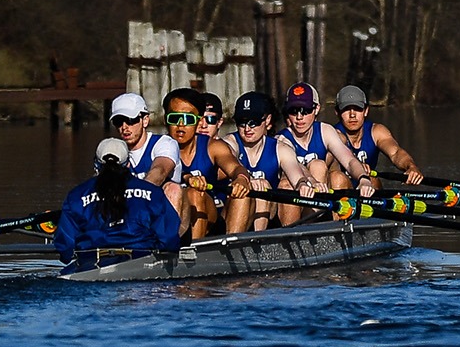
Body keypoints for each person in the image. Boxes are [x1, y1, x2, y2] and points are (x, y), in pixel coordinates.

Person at [54, 137, 182, 273]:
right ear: (128, 164)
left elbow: (64, 248)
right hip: (141, 265)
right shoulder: (153, 193)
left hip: (89, 267)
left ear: (96, 165)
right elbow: (169, 239)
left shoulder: (75, 196)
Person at [163, 87, 252, 239]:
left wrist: (241, 179)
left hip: (207, 214)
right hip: (170, 214)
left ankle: (229, 249)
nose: (180, 125)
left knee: (240, 194)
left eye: (188, 119)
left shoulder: (213, 147)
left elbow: (236, 168)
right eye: (174, 118)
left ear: (198, 122)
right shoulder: (157, 147)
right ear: (166, 120)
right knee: (192, 192)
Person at [228, 91, 318, 230]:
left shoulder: (281, 149)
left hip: (268, 211)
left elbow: (297, 176)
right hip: (231, 211)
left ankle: (264, 242)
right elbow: (230, 158)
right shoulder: (229, 143)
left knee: (272, 187)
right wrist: (247, 179)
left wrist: (302, 185)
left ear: (267, 120)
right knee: (255, 188)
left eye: (254, 122)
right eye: (242, 122)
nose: (247, 128)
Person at [277, 80, 380, 198]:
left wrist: (363, 179)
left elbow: (349, 161)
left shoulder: (325, 131)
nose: (299, 117)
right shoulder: (281, 140)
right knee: (317, 166)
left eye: (306, 110)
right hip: (297, 193)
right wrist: (312, 181)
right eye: (293, 111)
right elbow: (296, 167)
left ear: (316, 109)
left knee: (330, 174)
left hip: (320, 191)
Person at [108, 91, 183, 214]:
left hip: (164, 212)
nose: (125, 127)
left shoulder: (164, 143)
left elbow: (160, 171)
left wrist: (137, 196)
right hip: (132, 215)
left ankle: (170, 234)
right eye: (119, 121)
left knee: (173, 189)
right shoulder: (115, 151)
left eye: (130, 120)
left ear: (145, 120)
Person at [333, 85, 425, 185]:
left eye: (357, 109)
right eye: (346, 109)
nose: (352, 115)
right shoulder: (331, 135)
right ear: (337, 112)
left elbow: (396, 153)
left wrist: (411, 166)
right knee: (337, 178)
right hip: (340, 188)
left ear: (366, 111)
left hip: (367, 187)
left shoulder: (377, 131)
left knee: (373, 179)